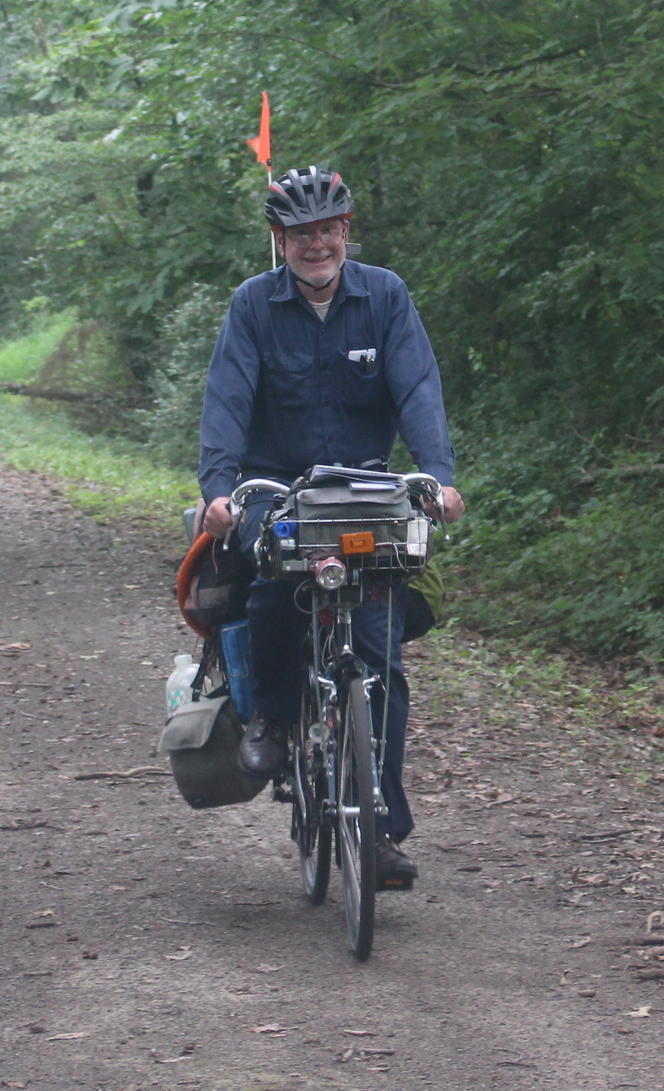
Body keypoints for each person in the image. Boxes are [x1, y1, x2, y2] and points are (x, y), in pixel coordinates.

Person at [198, 165, 465, 890]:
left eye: (327, 230)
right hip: (275, 487)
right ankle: (277, 721)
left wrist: (437, 477)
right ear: (279, 241)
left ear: (345, 231)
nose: (315, 244)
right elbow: (226, 401)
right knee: (266, 579)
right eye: (299, 234)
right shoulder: (253, 306)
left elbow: (416, 386)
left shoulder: (385, 296)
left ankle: (378, 829)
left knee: (382, 658)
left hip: (363, 491)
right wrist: (219, 492)